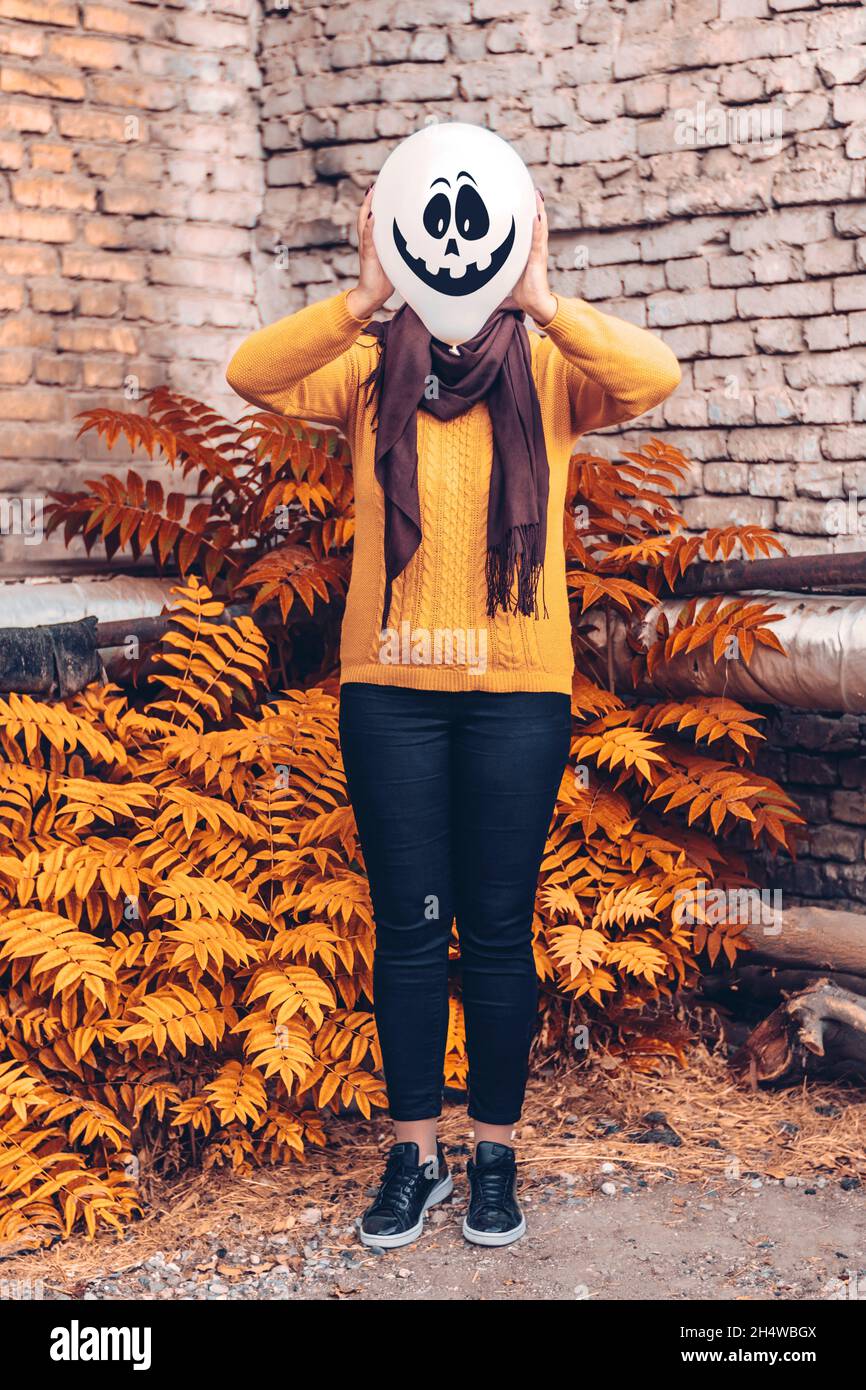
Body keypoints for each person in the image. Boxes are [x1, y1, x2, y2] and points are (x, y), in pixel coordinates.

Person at [226, 185, 681, 1250]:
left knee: (497, 931)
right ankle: (414, 1155)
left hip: (517, 691)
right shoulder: (367, 367)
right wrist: (362, 295)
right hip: (390, 692)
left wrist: (544, 297)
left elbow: (652, 375)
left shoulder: (551, 371)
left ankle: (494, 1156)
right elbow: (251, 373)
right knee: (408, 928)